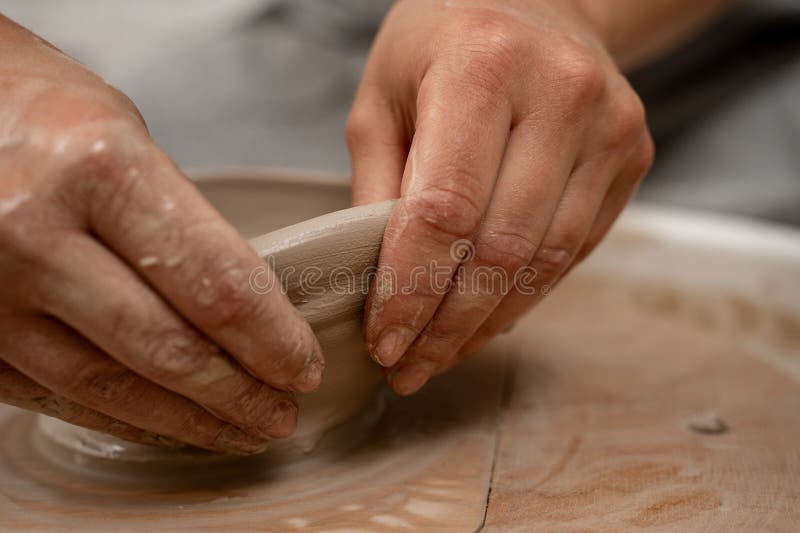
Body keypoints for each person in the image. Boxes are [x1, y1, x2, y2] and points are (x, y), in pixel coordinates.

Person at [0, 0, 734, 453]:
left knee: (716, 229)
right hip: (339, 26)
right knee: (125, 156)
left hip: (677, 29)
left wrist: (562, 4)